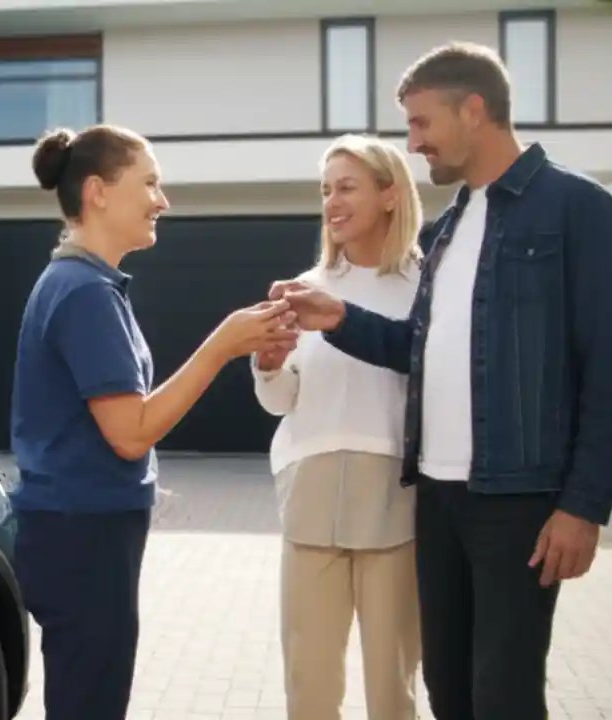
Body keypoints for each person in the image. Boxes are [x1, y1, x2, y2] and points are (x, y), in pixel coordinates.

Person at [269, 42, 612, 719]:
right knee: (448, 691)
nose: (413, 145)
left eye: (421, 123)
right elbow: (420, 348)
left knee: (504, 694)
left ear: (474, 110)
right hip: (437, 499)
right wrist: (337, 318)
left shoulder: (575, 207)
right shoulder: (448, 231)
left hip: (518, 499)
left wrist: (584, 504)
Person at [10, 123, 298, 720]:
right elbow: (130, 430)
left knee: (85, 692)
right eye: (150, 182)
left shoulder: (84, 283)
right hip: (83, 534)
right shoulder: (83, 291)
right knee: (91, 701)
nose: (162, 200)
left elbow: (100, 428)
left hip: (79, 526)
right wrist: (221, 345)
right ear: (98, 192)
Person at [253, 133, 424, 719]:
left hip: (396, 504)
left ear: (390, 194)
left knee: (391, 687)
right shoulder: (307, 287)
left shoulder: (428, 288)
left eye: (347, 186)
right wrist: (268, 367)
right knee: (309, 686)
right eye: (326, 190)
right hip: (311, 495)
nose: (332, 201)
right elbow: (281, 402)